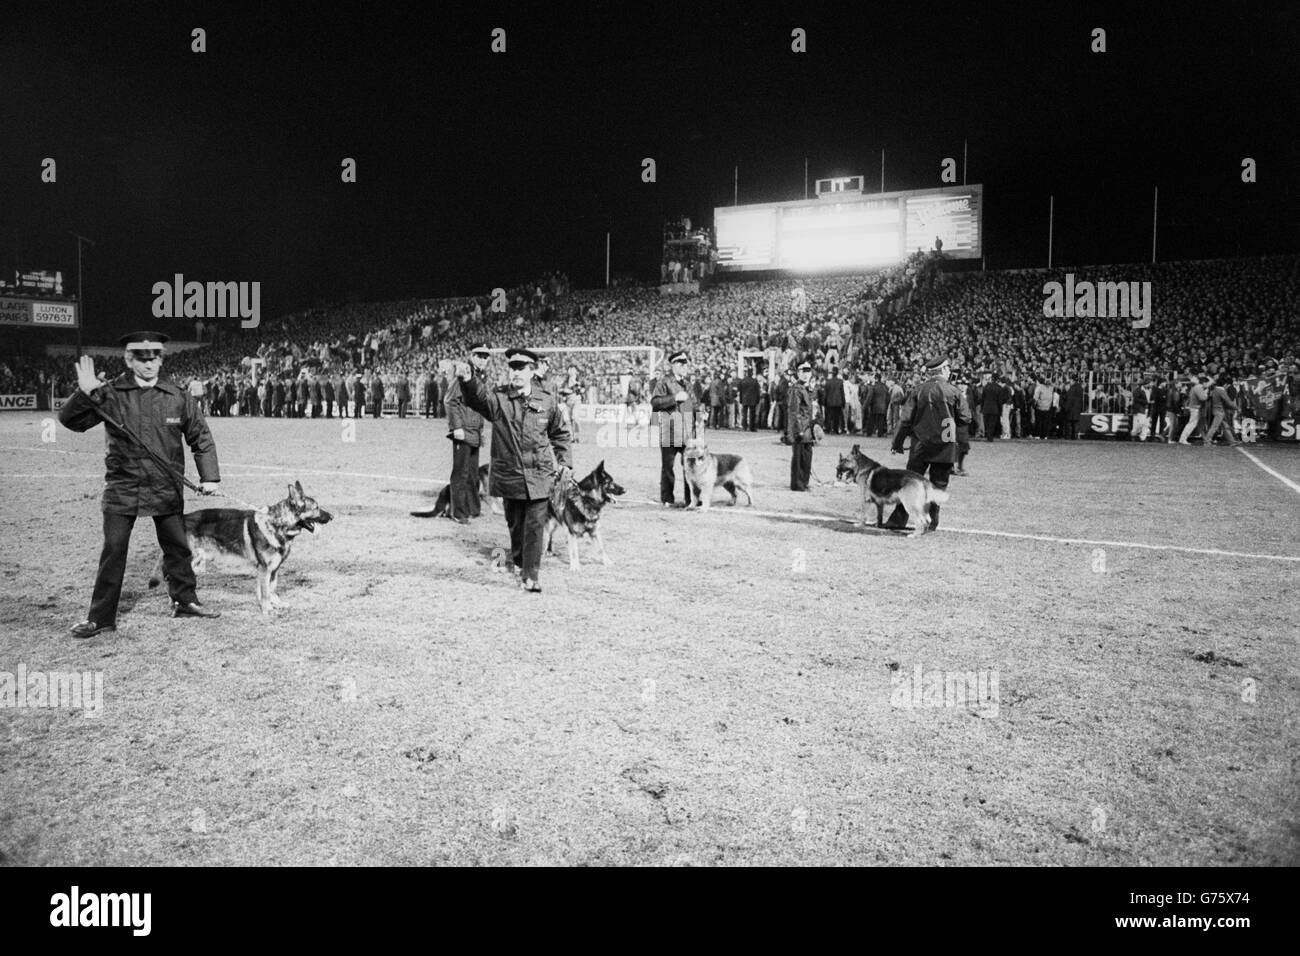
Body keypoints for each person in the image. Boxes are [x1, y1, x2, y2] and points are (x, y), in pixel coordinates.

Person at [58, 332, 222, 638]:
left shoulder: (178, 395)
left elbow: (201, 437)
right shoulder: (110, 393)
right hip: (123, 485)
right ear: (128, 359)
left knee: (177, 547)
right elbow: (71, 422)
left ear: (161, 358)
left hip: (165, 484)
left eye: (154, 358)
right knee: (114, 549)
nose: (149, 364)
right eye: (141, 359)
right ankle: (101, 617)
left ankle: (185, 600)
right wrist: (85, 394)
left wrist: (209, 477)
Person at [455, 348, 571, 593]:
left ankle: (531, 575)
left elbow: (560, 432)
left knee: (535, 526)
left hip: (539, 474)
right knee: (516, 524)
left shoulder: (547, 400)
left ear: (532, 371)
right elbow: (478, 398)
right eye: (513, 368)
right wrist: (467, 380)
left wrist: (565, 462)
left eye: (521, 368)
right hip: (510, 476)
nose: (516, 373)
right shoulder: (499, 400)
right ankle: (519, 561)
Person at [889, 355, 970, 530]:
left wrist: (897, 443)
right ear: (942, 370)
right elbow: (965, 418)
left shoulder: (918, 390)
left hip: (921, 445)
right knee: (938, 485)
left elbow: (905, 420)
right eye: (948, 368)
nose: (950, 371)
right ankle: (932, 521)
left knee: (910, 483)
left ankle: (897, 520)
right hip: (945, 446)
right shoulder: (955, 391)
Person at [444, 345, 489, 523]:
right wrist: (457, 427)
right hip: (463, 432)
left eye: (486, 357)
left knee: (472, 474)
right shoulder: (463, 373)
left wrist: (480, 430)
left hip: (473, 432)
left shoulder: (479, 376)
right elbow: (449, 401)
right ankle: (458, 512)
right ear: (472, 356)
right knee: (460, 473)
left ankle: (472, 508)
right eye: (480, 356)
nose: (483, 359)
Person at [650, 351, 698, 508]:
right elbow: (655, 402)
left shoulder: (688, 384)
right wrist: (674, 398)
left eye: (686, 364)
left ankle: (691, 499)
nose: (684, 367)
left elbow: (693, 404)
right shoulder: (664, 382)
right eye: (681, 364)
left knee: (690, 467)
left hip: (687, 432)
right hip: (669, 432)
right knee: (668, 468)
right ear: (673, 365)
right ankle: (667, 499)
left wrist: (699, 414)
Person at [787, 361, 823, 491]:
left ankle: (804, 482)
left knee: (807, 457)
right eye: (804, 371)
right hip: (801, 428)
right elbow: (793, 412)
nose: (807, 374)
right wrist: (797, 430)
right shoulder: (796, 389)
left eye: (809, 371)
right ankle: (798, 484)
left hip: (807, 427)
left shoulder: (805, 389)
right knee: (799, 458)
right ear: (798, 373)